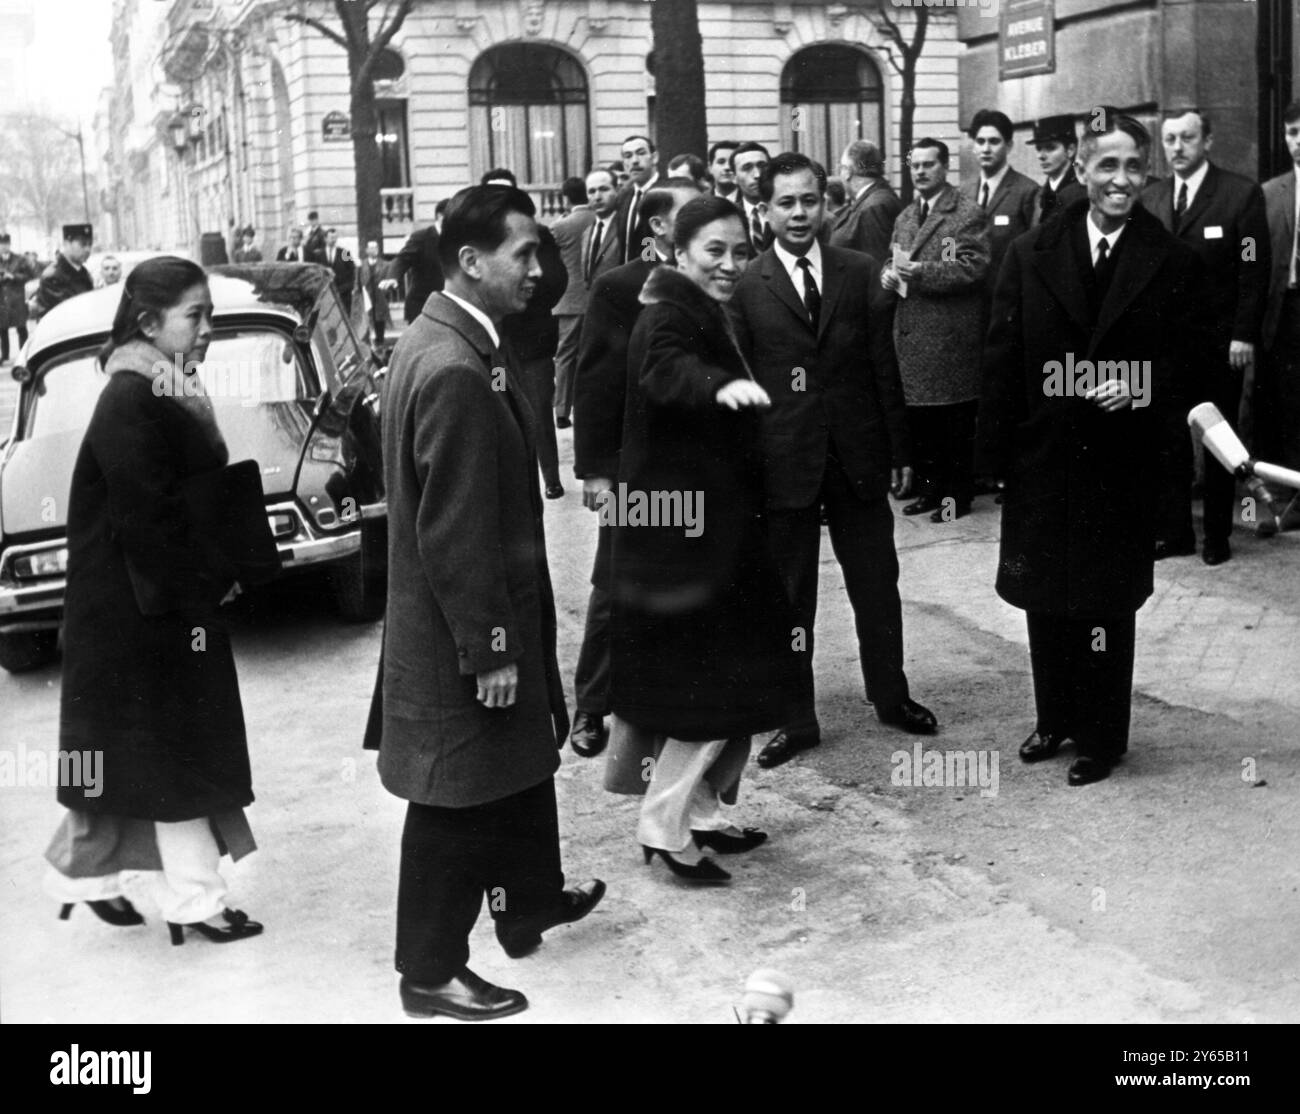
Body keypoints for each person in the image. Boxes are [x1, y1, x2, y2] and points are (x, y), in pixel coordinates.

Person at [364, 184, 604, 1021]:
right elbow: (454, 533)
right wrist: (492, 647)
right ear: (471, 262)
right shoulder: (455, 368)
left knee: (513, 766)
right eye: (525, 254)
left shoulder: (442, 339)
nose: (542, 269)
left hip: (464, 622)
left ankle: (527, 903)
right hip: (464, 628)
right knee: (455, 798)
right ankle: (428, 972)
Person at [976, 114, 1209, 787]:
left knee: (1106, 602)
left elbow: (1196, 366)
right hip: (1045, 458)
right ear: (1080, 170)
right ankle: (1055, 718)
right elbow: (1001, 357)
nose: (1122, 181)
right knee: (1045, 593)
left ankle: (1102, 738)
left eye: (1134, 168)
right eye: (1107, 166)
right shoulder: (1030, 252)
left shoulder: (1172, 261)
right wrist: (994, 460)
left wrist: (1140, 388)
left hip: (1122, 464)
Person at [44, 255, 263, 943]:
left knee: (129, 756)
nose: (208, 330)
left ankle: (89, 879)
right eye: (195, 316)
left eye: (210, 316)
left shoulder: (152, 383)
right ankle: (196, 902)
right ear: (148, 322)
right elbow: (152, 523)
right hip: (147, 613)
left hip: (134, 608)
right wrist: (204, 594)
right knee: (178, 759)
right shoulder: (136, 397)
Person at [604, 194, 800, 884]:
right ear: (678, 252)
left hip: (715, 535)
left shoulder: (700, 307)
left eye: (739, 250)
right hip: (684, 545)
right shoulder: (666, 314)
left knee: (734, 686)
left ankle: (706, 814)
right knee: (706, 692)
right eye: (714, 251)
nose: (729, 263)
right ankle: (662, 825)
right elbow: (666, 373)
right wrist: (719, 387)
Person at [731, 152, 936, 770]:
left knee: (876, 583)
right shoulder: (747, 286)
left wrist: (900, 449)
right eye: (786, 203)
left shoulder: (858, 271)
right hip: (784, 463)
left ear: (828, 204)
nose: (799, 214)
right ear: (765, 212)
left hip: (857, 456)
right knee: (791, 598)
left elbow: (883, 364)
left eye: (810, 201)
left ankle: (892, 697)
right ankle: (795, 717)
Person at [571, 178, 701, 760]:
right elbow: (595, 382)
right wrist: (596, 471)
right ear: (656, 228)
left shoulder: (719, 278)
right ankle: (593, 704)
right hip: (636, 468)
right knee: (616, 584)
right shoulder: (621, 287)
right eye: (689, 212)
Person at [1142, 108, 1270, 563]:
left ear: (1208, 141)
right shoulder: (1151, 199)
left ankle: (1217, 536)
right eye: (1170, 139)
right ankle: (1175, 532)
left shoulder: (1240, 195)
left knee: (1220, 442)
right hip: (1165, 348)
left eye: (1188, 138)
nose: (1177, 147)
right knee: (1169, 441)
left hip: (1219, 347)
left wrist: (1244, 334)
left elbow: (1254, 269)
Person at [882, 138, 991, 522]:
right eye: (915, 166)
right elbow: (893, 257)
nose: (921, 172)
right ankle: (931, 493)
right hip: (913, 336)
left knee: (952, 426)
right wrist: (888, 273)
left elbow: (972, 267)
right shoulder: (907, 216)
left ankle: (954, 499)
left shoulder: (964, 213)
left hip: (948, 339)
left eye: (929, 165)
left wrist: (921, 273)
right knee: (923, 426)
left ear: (945, 168)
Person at [483, 168, 569, 498]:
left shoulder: (539, 235)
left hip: (532, 341)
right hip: (496, 345)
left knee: (538, 410)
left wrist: (522, 297)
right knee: (498, 408)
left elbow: (554, 280)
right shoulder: (478, 238)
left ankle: (550, 478)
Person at [1259, 101, 1300, 530]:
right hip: (1285, 310)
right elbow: (1253, 257)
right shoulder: (1271, 193)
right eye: (1291, 132)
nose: (1298, 140)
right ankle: (1289, 493)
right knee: (1288, 402)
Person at [962, 109, 1038, 290]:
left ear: (1009, 146)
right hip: (967, 299)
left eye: (994, 142)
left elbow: (1033, 253)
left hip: (1006, 296)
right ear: (974, 146)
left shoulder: (1027, 191)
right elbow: (950, 240)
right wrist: (947, 266)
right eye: (980, 142)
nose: (986, 149)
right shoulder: (963, 192)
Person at [548, 175, 596, 429]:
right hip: (596, 298)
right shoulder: (598, 220)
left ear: (566, 198)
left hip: (568, 299)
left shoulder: (559, 226)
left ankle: (562, 410)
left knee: (565, 355)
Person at [829, 140, 901, 263]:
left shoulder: (874, 206)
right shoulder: (875, 200)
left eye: (841, 168)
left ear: (847, 172)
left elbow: (876, 264)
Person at [384, 221, 446, 325]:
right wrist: (392, 277)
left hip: (446, 305)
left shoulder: (456, 237)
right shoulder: (422, 237)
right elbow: (403, 258)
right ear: (441, 216)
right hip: (422, 304)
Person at [29, 223, 94, 320]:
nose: (88, 249)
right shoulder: (52, 277)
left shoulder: (82, 272)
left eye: (90, 244)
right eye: (83, 244)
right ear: (67, 244)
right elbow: (70, 313)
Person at [1031, 115, 1087, 224]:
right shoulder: (1039, 195)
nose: (1041, 156)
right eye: (1038, 148)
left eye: (1050, 148)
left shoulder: (1082, 192)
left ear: (1070, 150)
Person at [615, 134, 660, 263]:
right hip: (626, 277)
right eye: (628, 156)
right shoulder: (623, 197)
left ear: (654, 158)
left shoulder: (666, 192)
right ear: (624, 164)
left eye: (640, 153)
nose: (634, 161)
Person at [579, 168, 621, 290]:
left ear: (617, 190)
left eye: (604, 189)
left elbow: (647, 264)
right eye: (591, 191)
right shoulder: (586, 233)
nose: (597, 197)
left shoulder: (629, 227)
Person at [732, 142, 772, 255]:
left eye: (762, 166)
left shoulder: (785, 210)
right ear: (734, 178)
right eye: (747, 168)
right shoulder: (730, 215)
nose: (757, 175)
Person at [0, 233, 35, 364]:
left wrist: (13, 276)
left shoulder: (19, 259)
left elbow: (29, 275)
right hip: (2, 300)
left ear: (10, 244)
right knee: (2, 329)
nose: (4, 247)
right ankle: (4, 355)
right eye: (1, 244)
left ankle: (24, 354)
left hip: (17, 299)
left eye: (6, 244)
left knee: (21, 327)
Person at [358, 240, 393, 350]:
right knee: (366, 318)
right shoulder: (361, 265)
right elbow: (358, 280)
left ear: (378, 250)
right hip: (366, 295)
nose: (373, 250)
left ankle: (380, 341)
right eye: (371, 248)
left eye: (375, 248)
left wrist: (386, 293)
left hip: (380, 296)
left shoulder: (386, 264)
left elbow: (388, 280)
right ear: (367, 250)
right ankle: (367, 343)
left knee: (379, 319)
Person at [323, 228, 357, 313]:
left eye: (335, 238)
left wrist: (346, 287)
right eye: (331, 237)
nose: (334, 240)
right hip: (325, 294)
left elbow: (352, 270)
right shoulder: (318, 254)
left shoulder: (344, 253)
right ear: (325, 238)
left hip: (343, 294)